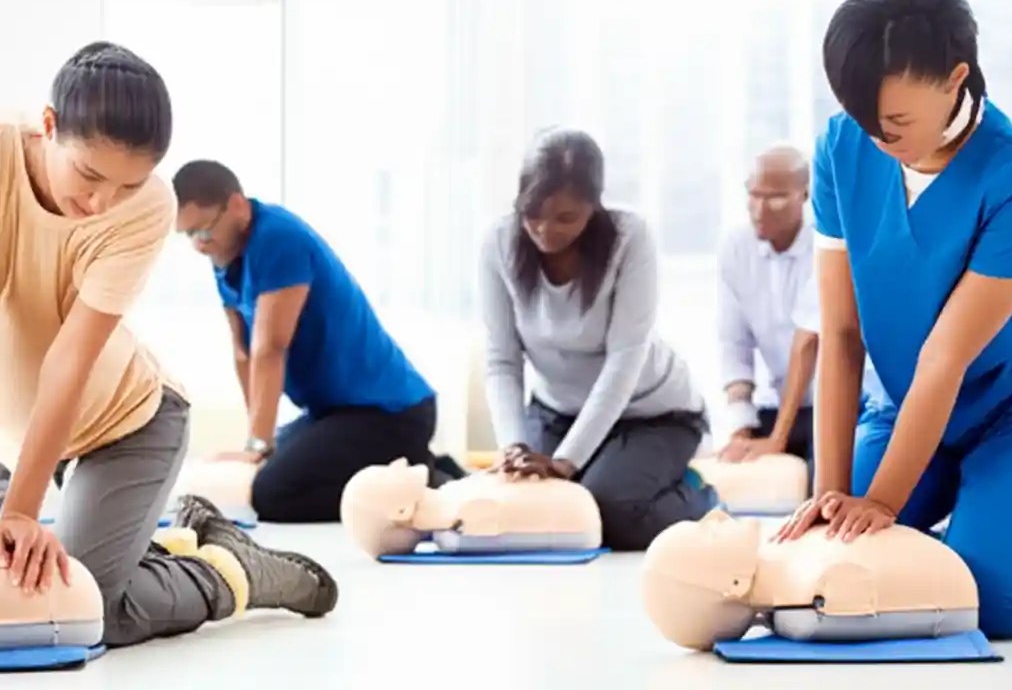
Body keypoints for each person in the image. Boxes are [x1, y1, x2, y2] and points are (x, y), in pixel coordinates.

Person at [773, 0, 1012, 640]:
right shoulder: (841, 147)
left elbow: (945, 355)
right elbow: (842, 337)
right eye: (862, 118)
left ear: (955, 78)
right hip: (907, 406)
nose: (877, 138)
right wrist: (831, 492)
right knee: (839, 566)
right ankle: (986, 530)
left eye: (897, 122)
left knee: (991, 604)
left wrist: (879, 500)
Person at [0, 41, 336, 648]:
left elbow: (71, 358)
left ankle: (229, 570)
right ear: (48, 126)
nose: (102, 203)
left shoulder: (149, 207)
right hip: (25, 439)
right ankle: (155, 543)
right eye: (90, 175)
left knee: (81, 609)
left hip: (126, 426)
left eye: (126, 184)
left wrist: (20, 513)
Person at [171, 160, 462, 523]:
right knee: (270, 469)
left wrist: (259, 444)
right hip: (333, 412)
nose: (200, 245)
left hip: (388, 413)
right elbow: (244, 353)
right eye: (188, 235)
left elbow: (270, 347)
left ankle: (425, 482)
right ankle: (418, 464)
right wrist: (256, 443)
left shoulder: (278, 238)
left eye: (204, 230)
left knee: (272, 494)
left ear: (238, 206)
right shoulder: (223, 254)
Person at [479, 127, 718, 551]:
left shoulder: (630, 238)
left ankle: (699, 496)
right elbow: (502, 359)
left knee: (607, 510)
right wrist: (513, 448)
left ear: (594, 207)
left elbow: (624, 359)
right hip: (557, 412)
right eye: (532, 213)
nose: (545, 231)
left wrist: (565, 463)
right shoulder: (499, 242)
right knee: (528, 510)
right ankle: (596, 468)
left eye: (566, 218)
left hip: (651, 414)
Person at [716, 146, 822, 467]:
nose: (760, 210)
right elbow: (735, 346)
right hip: (774, 406)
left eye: (775, 197)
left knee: (825, 485)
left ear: (803, 195)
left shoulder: (826, 247)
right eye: (754, 195)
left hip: (834, 405)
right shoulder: (736, 248)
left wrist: (779, 438)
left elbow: (808, 345)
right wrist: (741, 429)